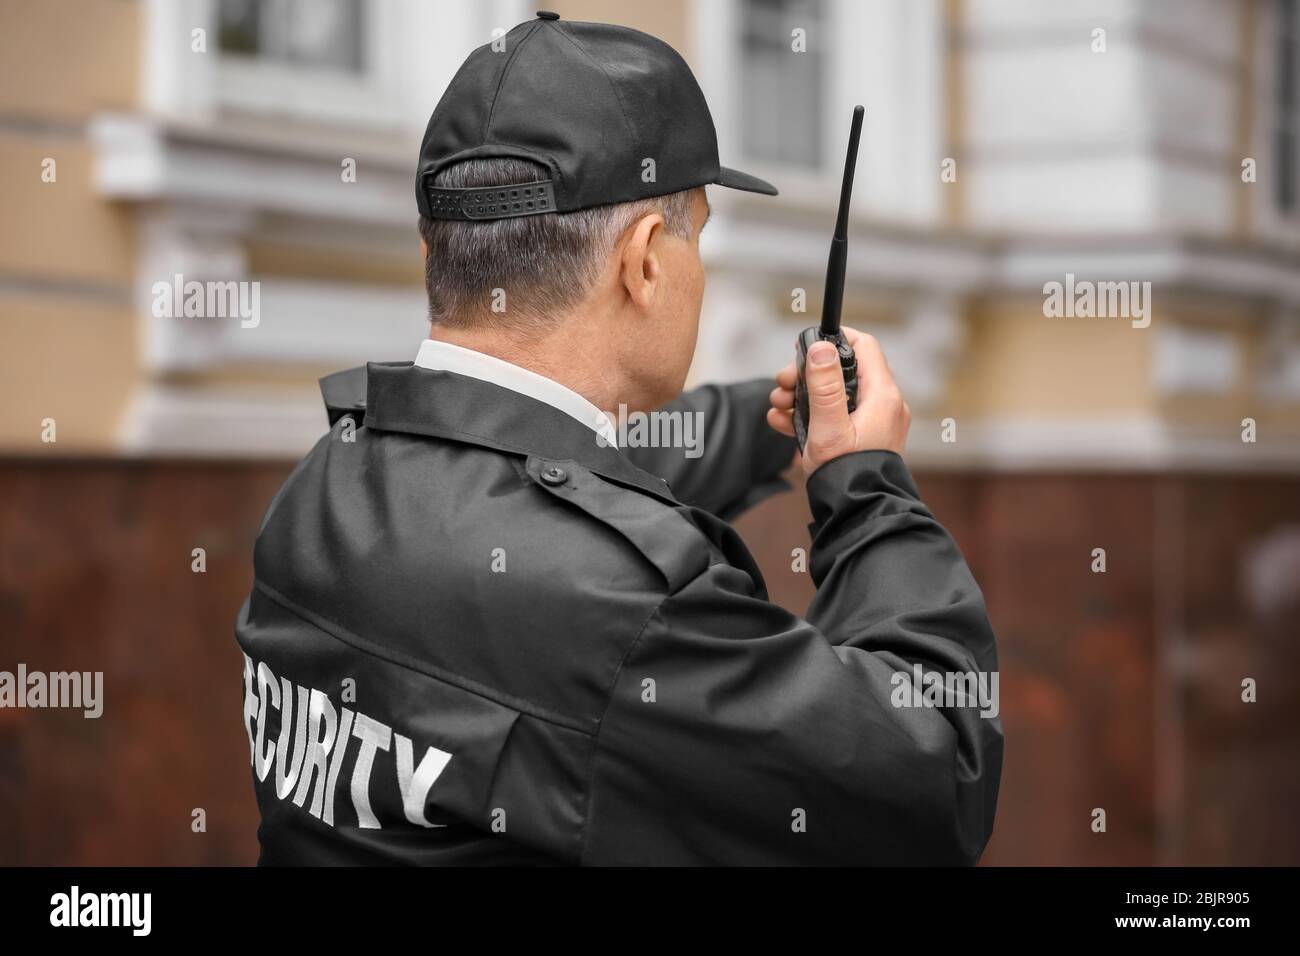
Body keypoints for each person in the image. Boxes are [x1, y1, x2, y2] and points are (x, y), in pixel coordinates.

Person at [235, 11, 1002, 865]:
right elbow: (937, 769)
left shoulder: (322, 490)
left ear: (436, 246)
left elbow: (545, 470)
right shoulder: (628, 616)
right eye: (696, 237)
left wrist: (770, 421)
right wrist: (867, 490)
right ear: (642, 260)